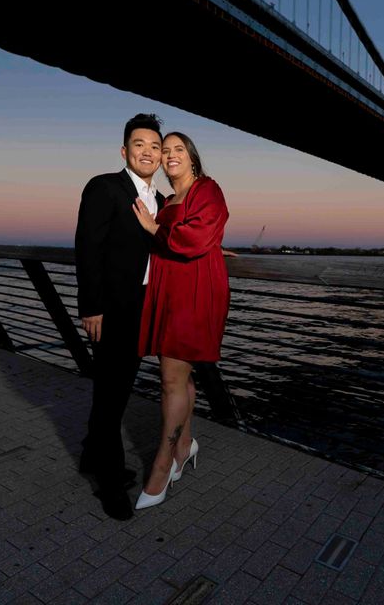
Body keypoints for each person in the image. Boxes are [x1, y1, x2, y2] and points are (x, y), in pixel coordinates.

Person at [131, 132, 230, 509]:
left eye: (178, 150)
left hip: (195, 294)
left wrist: (157, 230)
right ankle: (185, 447)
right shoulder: (167, 200)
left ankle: (161, 466)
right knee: (180, 375)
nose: (170, 155)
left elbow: (199, 233)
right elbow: (195, 235)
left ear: (192, 158)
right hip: (170, 291)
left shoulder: (208, 189)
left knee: (171, 379)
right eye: (165, 150)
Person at [74, 113, 164, 521]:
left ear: (162, 156)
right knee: (111, 397)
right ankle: (110, 485)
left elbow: (170, 244)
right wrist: (91, 306)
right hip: (111, 311)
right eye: (139, 144)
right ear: (125, 150)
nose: (148, 152)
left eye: (155, 146)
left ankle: (92, 458)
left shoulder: (161, 201)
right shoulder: (105, 187)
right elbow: (87, 248)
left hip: (143, 310)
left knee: (114, 390)